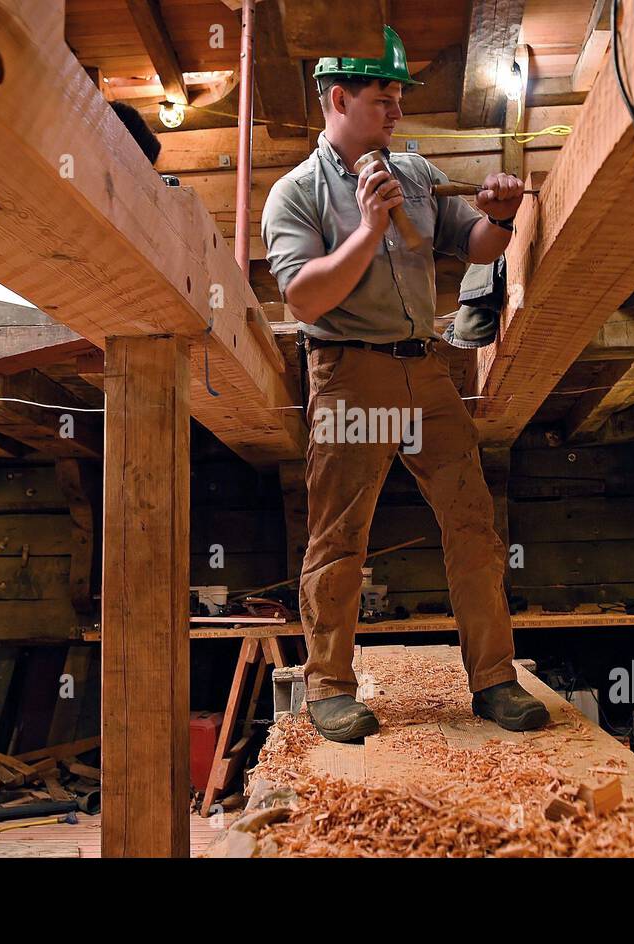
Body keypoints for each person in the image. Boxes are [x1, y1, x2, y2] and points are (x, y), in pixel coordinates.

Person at [261, 25, 549, 743]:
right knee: (340, 531)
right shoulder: (295, 195)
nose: (394, 111)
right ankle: (328, 687)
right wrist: (366, 228)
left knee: (472, 520)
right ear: (337, 99)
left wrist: (502, 215)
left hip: (425, 366)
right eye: (381, 97)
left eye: (397, 97)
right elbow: (302, 300)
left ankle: (494, 679)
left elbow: (472, 243)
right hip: (348, 372)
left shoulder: (416, 173)